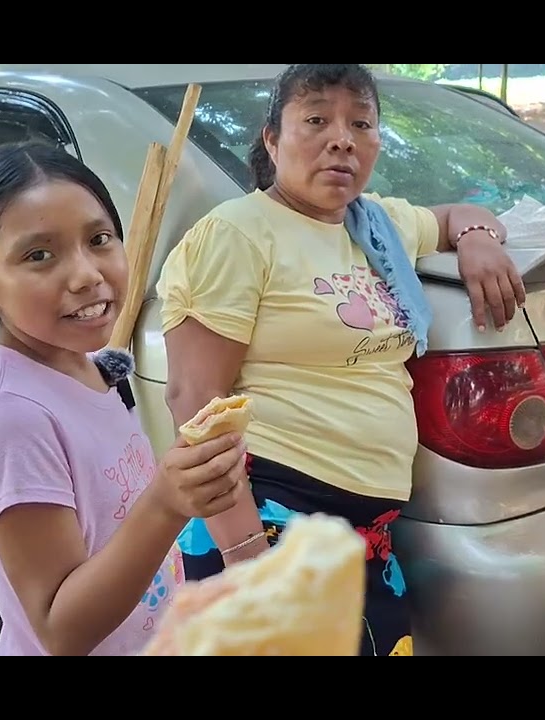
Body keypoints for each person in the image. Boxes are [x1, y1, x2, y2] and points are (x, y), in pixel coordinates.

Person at [157, 64, 526, 657]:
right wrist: (247, 556)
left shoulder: (375, 225)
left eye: (361, 123)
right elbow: (197, 405)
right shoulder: (239, 234)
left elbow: (456, 215)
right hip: (272, 526)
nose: (342, 139)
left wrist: (479, 240)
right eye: (316, 120)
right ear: (272, 138)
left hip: (365, 541)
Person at [0, 142, 249, 656]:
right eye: (39, 255)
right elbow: (61, 631)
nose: (86, 274)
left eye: (99, 239)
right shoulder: (9, 417)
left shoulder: (86, 365)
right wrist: (168, 504)